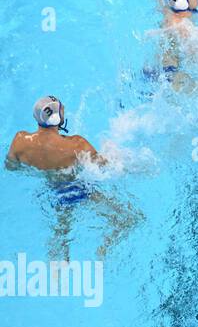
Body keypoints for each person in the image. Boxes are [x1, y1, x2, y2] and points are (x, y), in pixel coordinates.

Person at [6, 96, 139, 259]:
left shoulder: (20, 141)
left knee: (61, 237)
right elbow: (105, 166)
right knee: (131, 219)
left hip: (54, 192)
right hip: (81, 190)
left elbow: (11, 168)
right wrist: (114, 152)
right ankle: (103, 249)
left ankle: (57, 269)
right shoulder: (76, 144)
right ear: (57, 117)